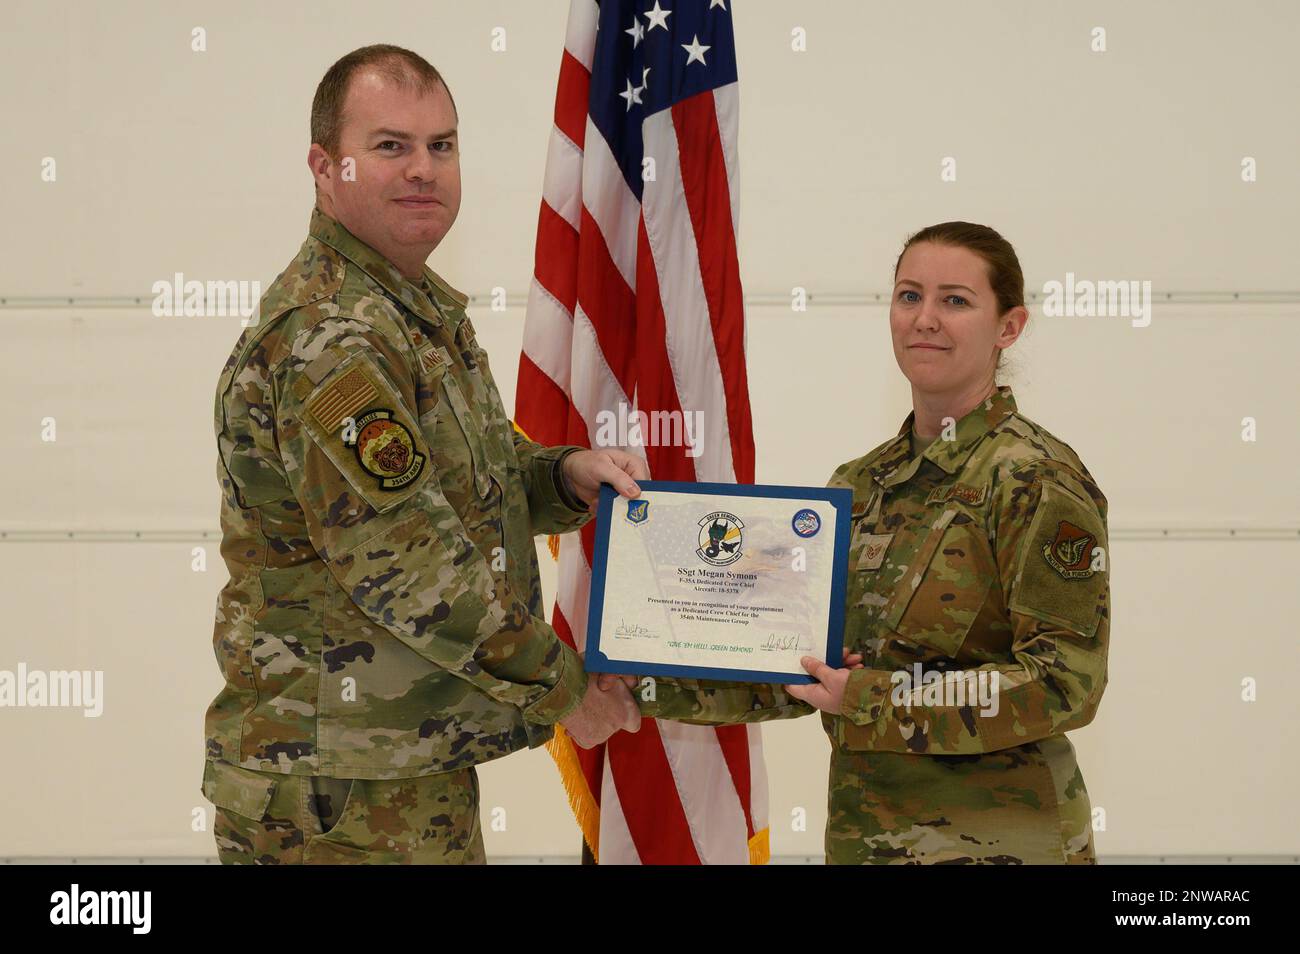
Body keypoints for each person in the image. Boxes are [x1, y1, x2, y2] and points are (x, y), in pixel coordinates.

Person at [202, 44, 646, 865]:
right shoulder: (332, 335)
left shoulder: (405, 310)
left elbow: (456, 487)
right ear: (323, 165)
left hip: (395, 763)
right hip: (335, 785)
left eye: (442, 145)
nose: (423, 170)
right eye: (390, 146)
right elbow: (407, 562)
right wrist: (563, 691)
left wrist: (562, 476)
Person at [632, 222, 1110, 864]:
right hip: (869, 844)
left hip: (1000, 847)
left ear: (1009, 327)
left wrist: (870, 699)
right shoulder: (861, 483)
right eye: (910, 296)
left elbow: (1063, 684)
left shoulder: (1033, 478)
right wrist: (636, 680)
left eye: (956, 301)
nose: (926, 319)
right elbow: (807, 665)